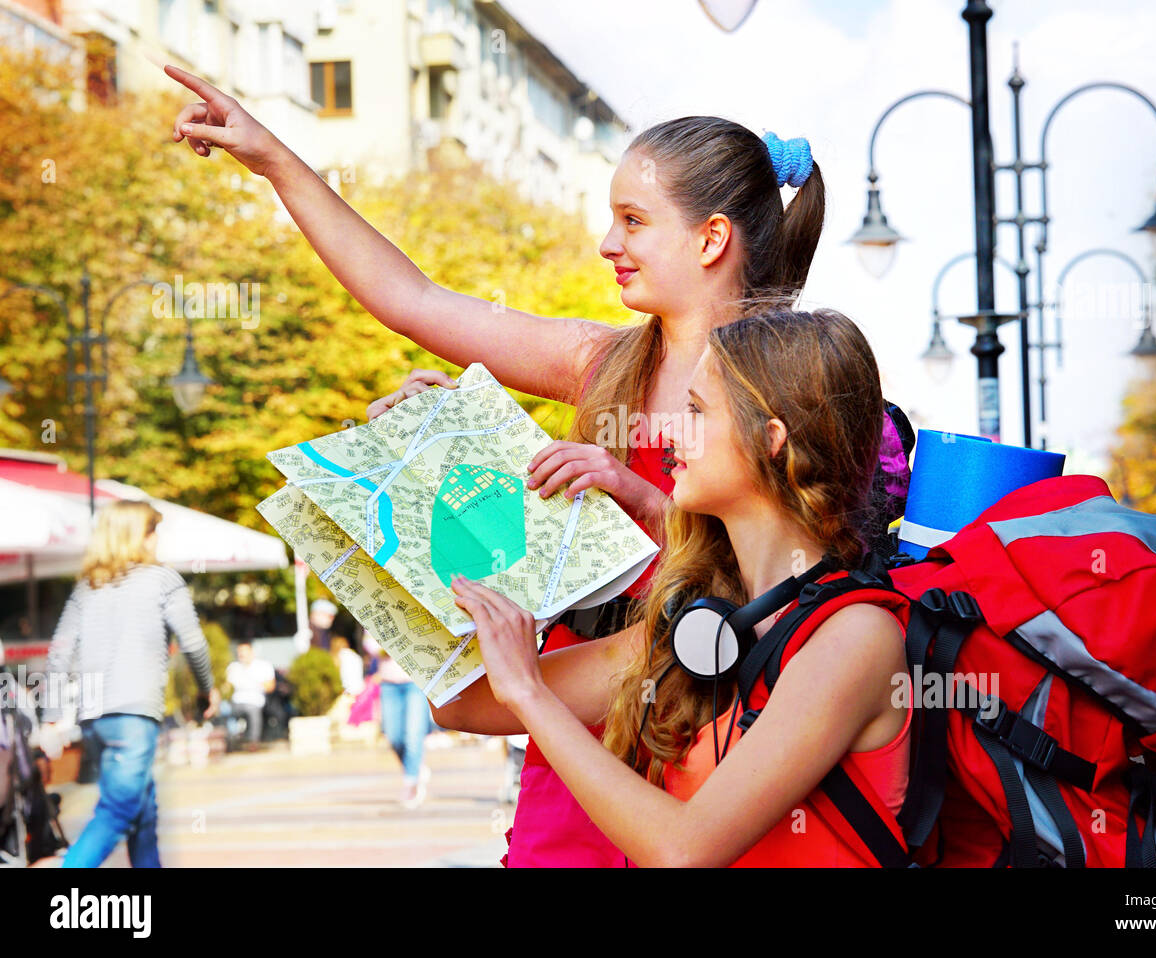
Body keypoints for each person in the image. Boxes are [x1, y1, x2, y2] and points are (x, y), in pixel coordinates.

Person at [163, 65, 909, 865]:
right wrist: (438, 448)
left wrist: (641, 500)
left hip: (725, 701)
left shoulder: (799, 382)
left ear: (711, 238)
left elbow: (811, 556)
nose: (607, 244)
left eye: (633, 220)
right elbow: (413, 300)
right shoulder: (606, 362)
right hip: (603, 693)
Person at [441, 308, 912, 867]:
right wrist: (439, 447)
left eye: (696, 411)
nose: (670, 433)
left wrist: (530, 693)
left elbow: (684, 850)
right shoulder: (704, 620)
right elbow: (460, 702)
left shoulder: (855, 637)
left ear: (771, 439)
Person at [43, 501, 218, 868]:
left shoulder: (86, 587)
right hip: (133, 715)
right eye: (152, 531)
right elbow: (193, 643)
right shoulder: (163, 580)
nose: (157, 540)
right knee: (117, 812)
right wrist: (207, 689)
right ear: (138, 536)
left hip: (93, 719)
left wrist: (53, 716)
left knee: (143, 813)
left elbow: (58, 653)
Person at [374, 646, 434, 808]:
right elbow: (370, 645)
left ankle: (411, 782)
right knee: (393, 736)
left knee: (413, 734)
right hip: (388, 683)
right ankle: (415, 767)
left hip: (415, 681)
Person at [225, 639, 275, 751]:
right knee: (224, 710)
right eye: (240, 653)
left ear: (251, 652)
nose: (242, 655)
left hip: (254, 700)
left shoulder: (263, 666)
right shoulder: (233, 667)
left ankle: (253, 742)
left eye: (244, 653)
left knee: (252, 710)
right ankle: (229, 741)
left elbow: (270, 686)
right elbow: (227, 687)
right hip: (236, 701)